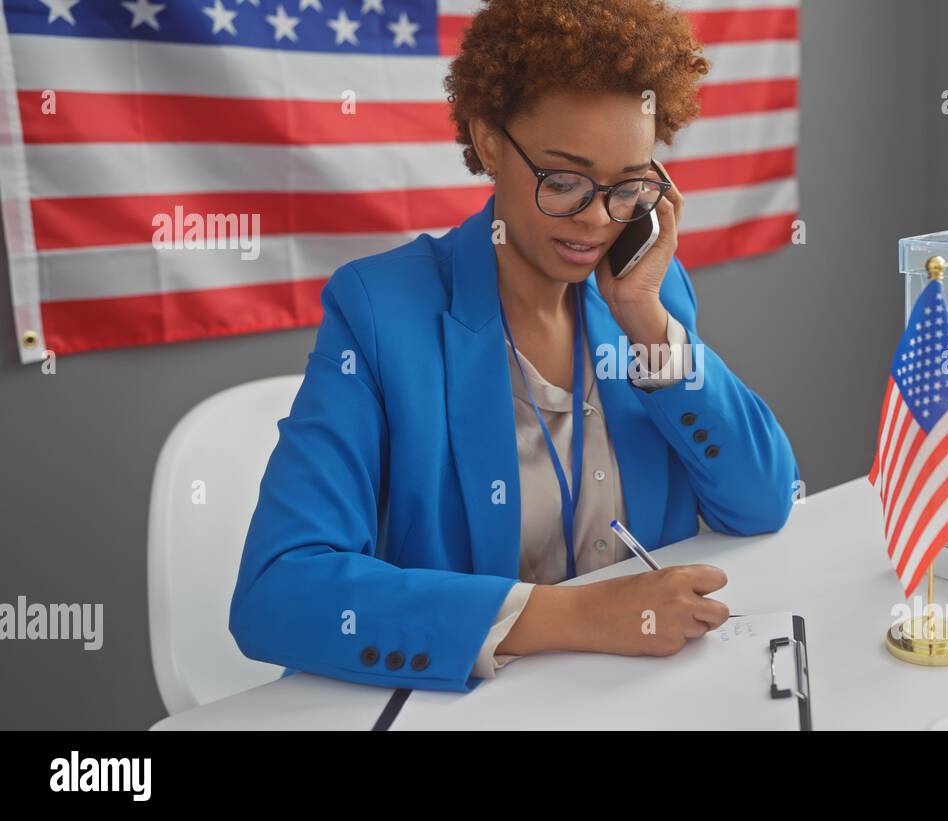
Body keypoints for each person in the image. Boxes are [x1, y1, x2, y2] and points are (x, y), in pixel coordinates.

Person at [229, 0, 799, 692]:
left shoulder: (646, 290)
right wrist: (577, 615)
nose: (595, 219)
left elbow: (763, 499)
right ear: (491, 142)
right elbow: (277, 590)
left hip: (642, 692)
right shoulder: (382, 312)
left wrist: (648, 322)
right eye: (563, 181)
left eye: (627, 186)